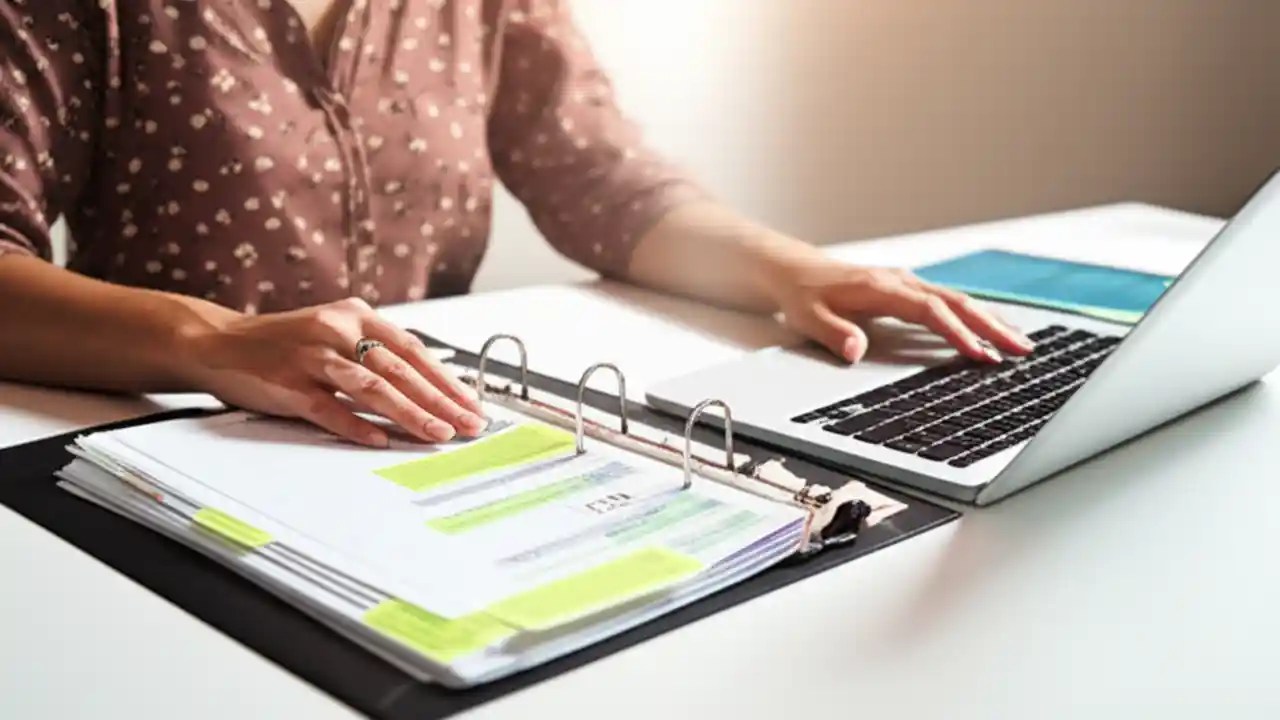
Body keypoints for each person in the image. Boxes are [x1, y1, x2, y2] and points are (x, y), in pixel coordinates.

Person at [0, 0, 1031, 448]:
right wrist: (213, 342)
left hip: (424, 442)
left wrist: (786, 267)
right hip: (161, 444)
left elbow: (597, 174)